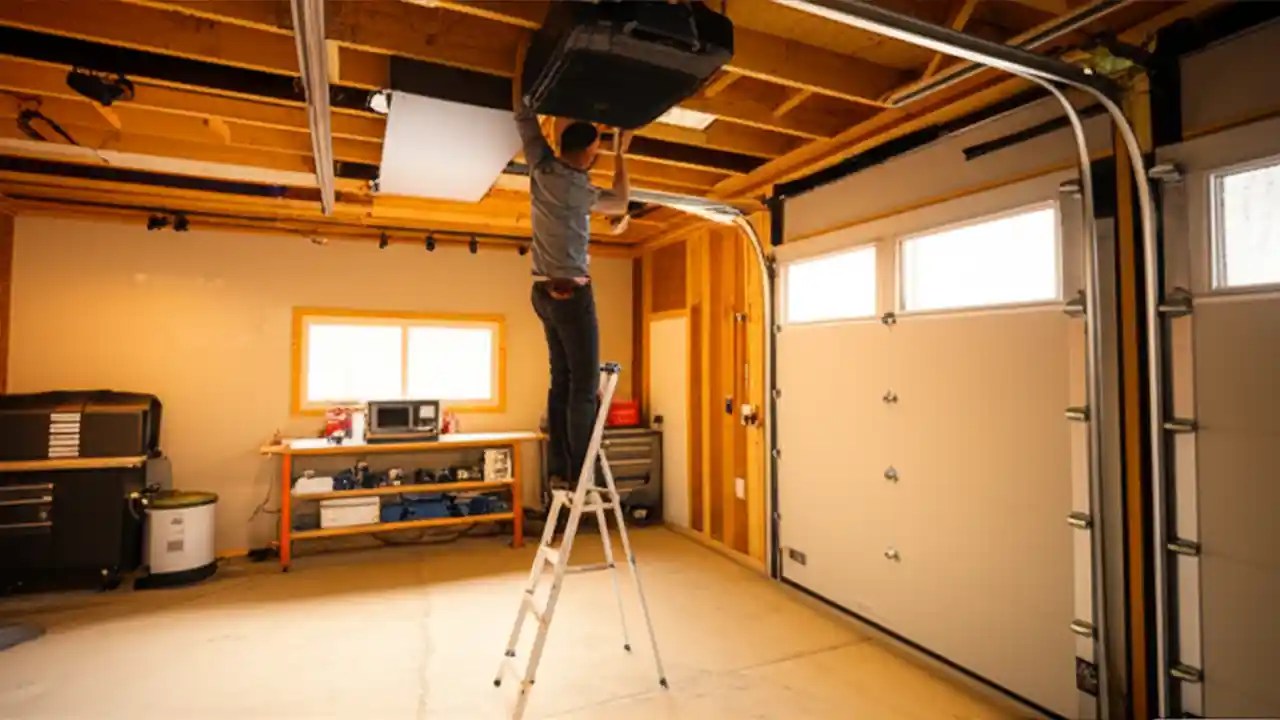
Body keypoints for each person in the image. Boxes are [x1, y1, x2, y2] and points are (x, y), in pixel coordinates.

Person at [515, 97, 632, 491]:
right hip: (570, 295)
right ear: (588, 152)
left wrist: (524, 76)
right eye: (597, 149)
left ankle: (559, 471)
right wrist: (621, 154)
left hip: (543, 293)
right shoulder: (582, 190)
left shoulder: (541, 165)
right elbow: (620, 198)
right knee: (583, 386)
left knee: (562, 381)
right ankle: (581, 473)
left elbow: (523, 116)